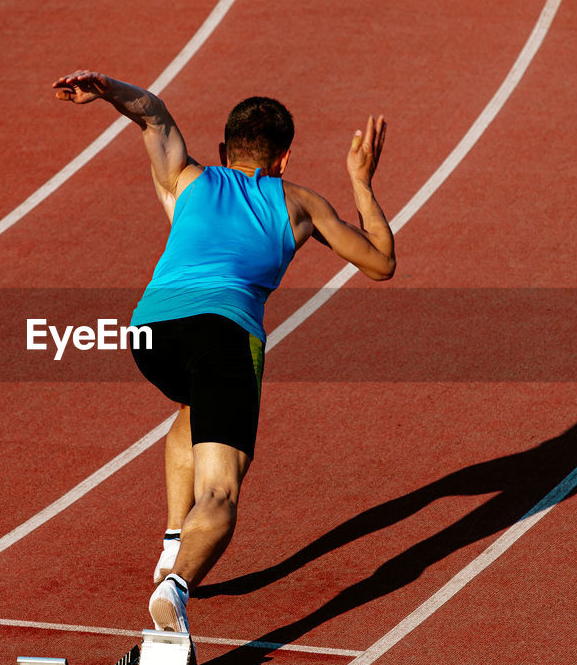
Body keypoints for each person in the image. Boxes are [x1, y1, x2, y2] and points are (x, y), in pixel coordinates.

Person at [52, 70, 394, 636]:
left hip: (151, 333)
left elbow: (153, 113)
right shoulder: (300, 202)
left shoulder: (186, 179)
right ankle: (175, 588)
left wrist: (106, 88)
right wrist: (362, 181)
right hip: (222, 334)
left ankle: (170, 542)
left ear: (222, 150)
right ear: (283, 159)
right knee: (221, 490)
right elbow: (382, 263)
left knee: (195, 411)